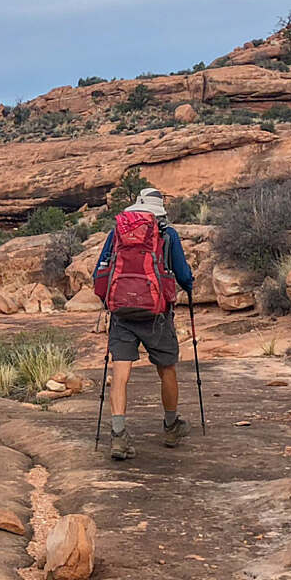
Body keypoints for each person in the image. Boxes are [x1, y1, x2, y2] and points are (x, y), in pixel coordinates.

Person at [93, 187, 194, 460]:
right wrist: (189, 285)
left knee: (121, 373)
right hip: (156, 314)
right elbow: (183, 274)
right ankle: (171, 427)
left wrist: (109, 300)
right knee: (167, 369)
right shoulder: (167, 234)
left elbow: (99, 271)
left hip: (122, 314)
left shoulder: (117, 233)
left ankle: (118, 435)